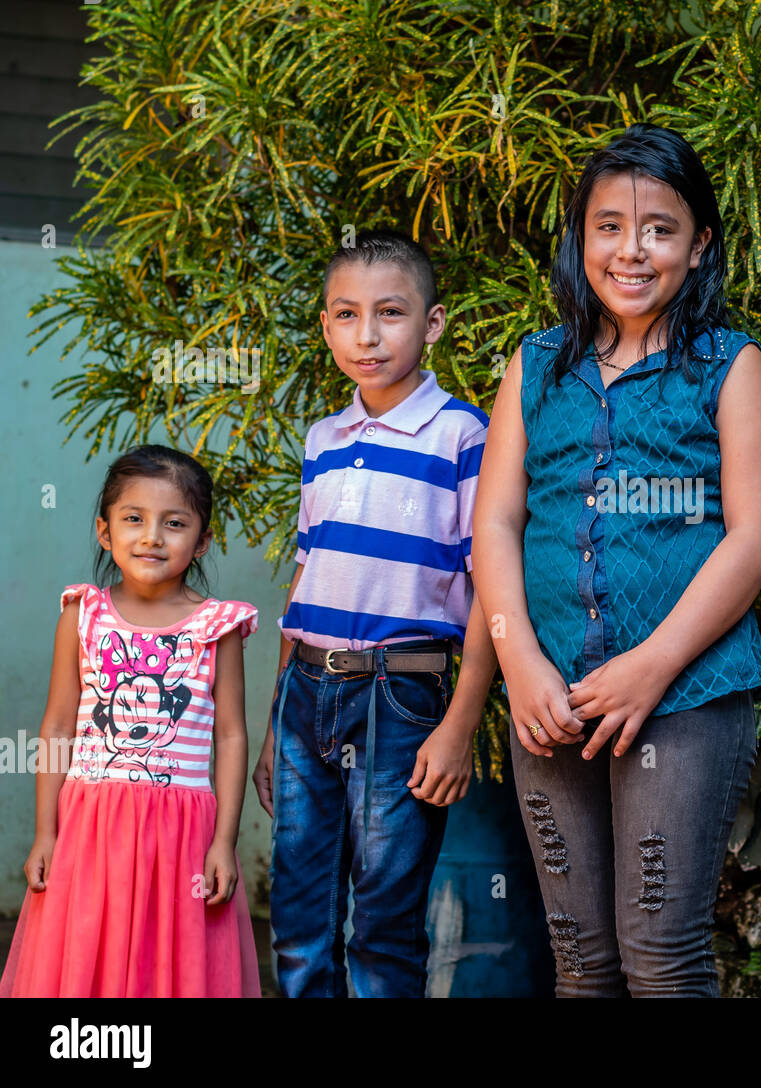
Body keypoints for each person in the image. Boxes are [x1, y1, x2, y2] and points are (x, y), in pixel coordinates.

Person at [472, 123, 761, 996]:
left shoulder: (731, 366)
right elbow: (495, 525)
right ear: (581, 239)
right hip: (551, 696)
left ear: (699, 246)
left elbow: (756, 538)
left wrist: (650, 667)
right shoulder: (535, 364)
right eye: (608, 225)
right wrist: (519, 660)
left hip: (685, 696)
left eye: (660, 228)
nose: (632, 249)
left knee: (661, 954)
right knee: (583, 963)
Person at [251, 229, 496, 998]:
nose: (367, 334)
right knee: (297, 916)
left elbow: (491, 589)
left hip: (400, 695)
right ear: (325, 326)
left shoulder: (463, 434)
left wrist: (459, 723)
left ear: (433, 323)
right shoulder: (323, 439)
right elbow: (305, 584)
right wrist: (273, 725)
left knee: (385, 926)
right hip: (304, 698)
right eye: (346, 315)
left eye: (390, 312)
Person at [0, 445, 260, 997]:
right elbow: (56, 729)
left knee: (167, 962)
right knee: (89, 960)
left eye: (174, 523)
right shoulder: (82, 614)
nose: (152, 537)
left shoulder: (219, 627)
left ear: (203, 540)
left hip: (183, 836)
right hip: (90, 826)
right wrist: (46, 832)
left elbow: (232, 735)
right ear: (104, 531)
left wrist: (223, 841)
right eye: (133, 519)